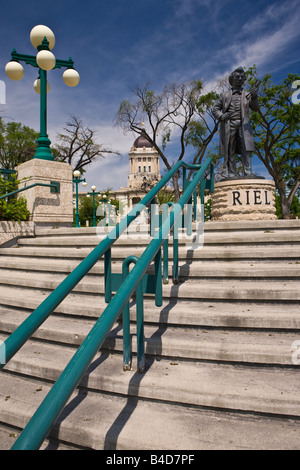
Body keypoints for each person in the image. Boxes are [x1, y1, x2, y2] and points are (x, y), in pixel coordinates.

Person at [212, 67, 260, 178]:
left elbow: (256, 108)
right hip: (229, 124)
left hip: (244, 124)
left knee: (246, 148)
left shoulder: (248, 95)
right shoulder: (225, 95)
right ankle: (232, 173)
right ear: (232, 79)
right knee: (230, 149)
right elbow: (215, 109)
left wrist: (255, 96)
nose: (239, 79)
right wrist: (222, 116)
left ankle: (248, 172)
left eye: (242, 77)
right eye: (237, 77)